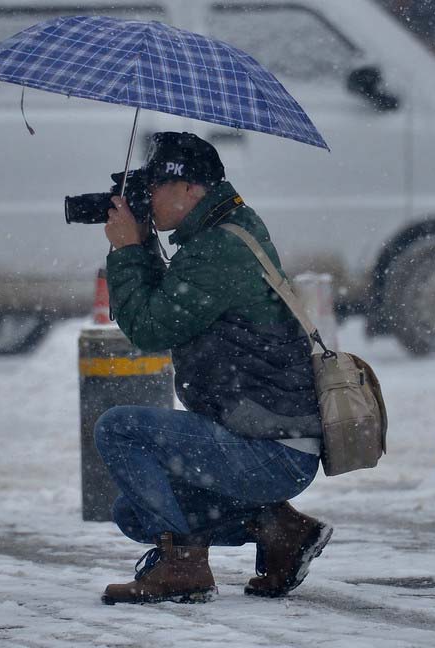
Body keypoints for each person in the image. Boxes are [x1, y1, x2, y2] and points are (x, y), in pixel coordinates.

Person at [95, 131, 331, 605]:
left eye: (155, 186)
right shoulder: (222, 233)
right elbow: (168, 306)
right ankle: (279, 529)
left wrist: (126, 251)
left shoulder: (219, 250)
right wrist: (141, 247)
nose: (147, 197)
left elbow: (149, 327)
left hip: (270, 448)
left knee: (118, 430)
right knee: (133, 511)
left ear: (190, 189)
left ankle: (183, 568)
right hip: (267, 437)